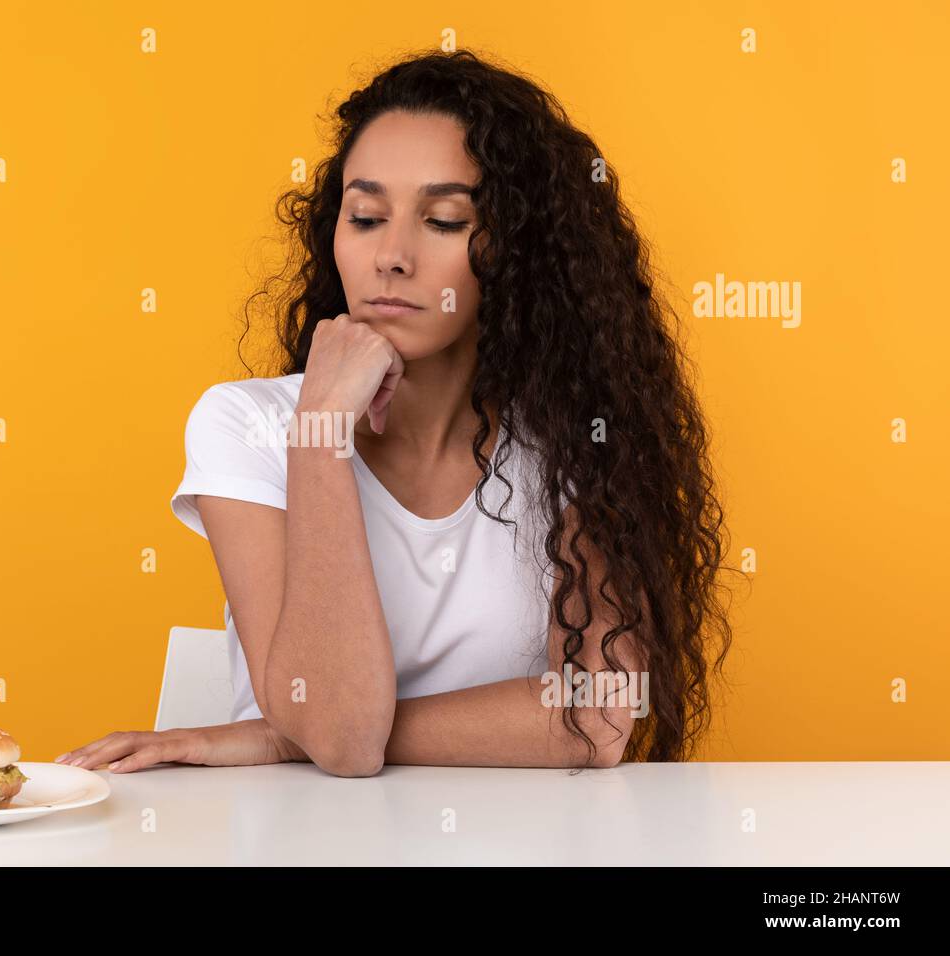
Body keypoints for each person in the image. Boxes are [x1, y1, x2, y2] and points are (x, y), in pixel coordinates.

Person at [57, 49, 734, 777]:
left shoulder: (577, 439)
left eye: (443, 221)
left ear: (513, 251)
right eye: (367, 216)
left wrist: (281, 736)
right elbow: (342, 739)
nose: (392, 256)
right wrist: (319, 434)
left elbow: (597, 717)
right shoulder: (243, 422)